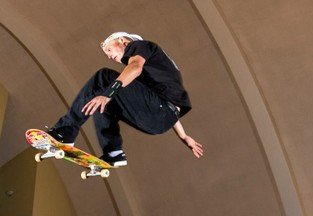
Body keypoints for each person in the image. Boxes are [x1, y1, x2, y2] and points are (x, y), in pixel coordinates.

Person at [46, 32, 204, 166]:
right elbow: (169, 107)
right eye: (107, 54)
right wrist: (183, 136)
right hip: (160, 120)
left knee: (104, 77)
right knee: (106, 98)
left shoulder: (139, 46)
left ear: (122, 41)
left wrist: (107, 94)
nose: (109, 56)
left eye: (109, 49)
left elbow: (135, 67)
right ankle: (113, 152)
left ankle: (65, 131)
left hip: (160, 112)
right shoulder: (152, 72)